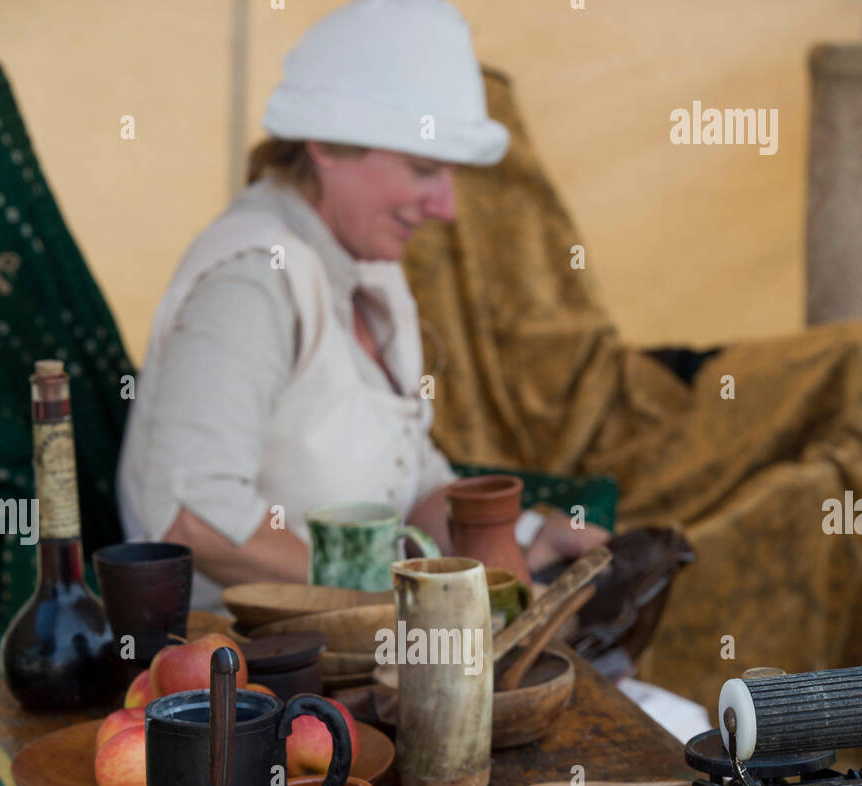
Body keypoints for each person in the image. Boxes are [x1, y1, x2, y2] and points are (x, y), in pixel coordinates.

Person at [116, 0, 607, 610]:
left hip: (360, 653)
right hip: (246, 674)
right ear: (325, 143)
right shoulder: (251, 279)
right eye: (424, 169)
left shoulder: (370, 271)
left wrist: (522, 536)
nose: (446, 208)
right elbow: (192, 518)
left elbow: (413, 483)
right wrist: (392, 593)